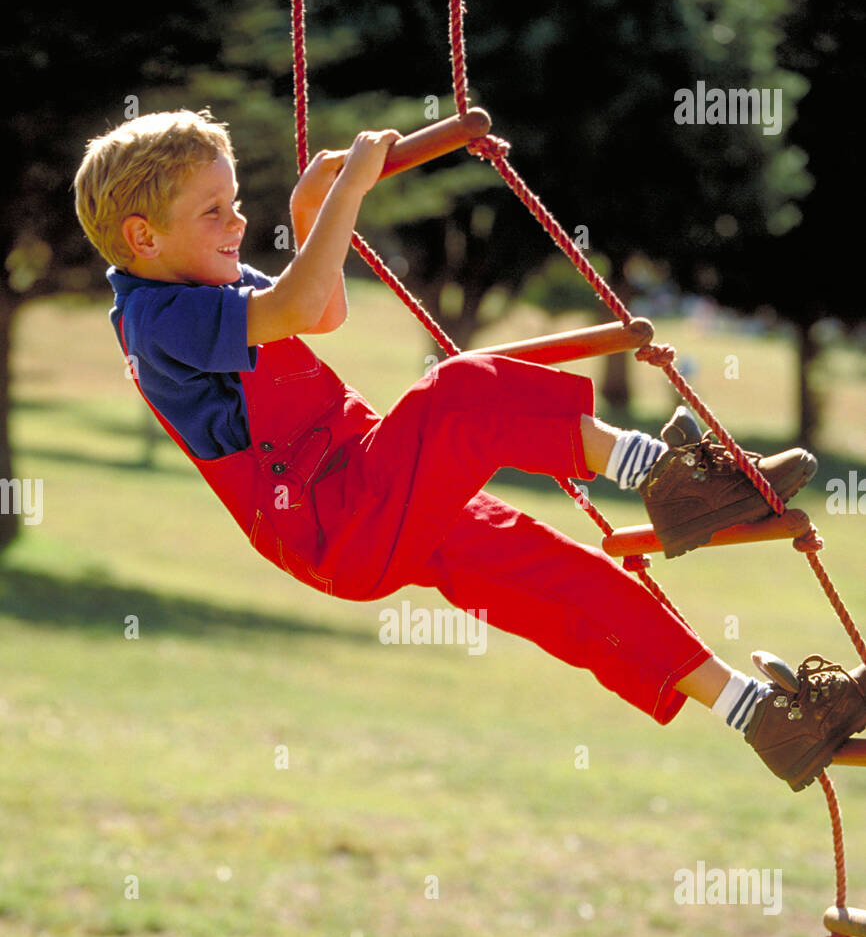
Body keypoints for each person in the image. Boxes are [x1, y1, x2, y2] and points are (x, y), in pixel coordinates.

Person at [73, 109, 866, 792]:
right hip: (336, 515)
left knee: (564, 579)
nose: (238, 224)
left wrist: (314, 210)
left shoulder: (196, 281)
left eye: (236, 202)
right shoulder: (158, 318)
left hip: (365, 491)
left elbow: (320, 315)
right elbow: (300, 302)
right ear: (143, 236)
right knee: (463, 393)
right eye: (214, 211)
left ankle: (766, 719)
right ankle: (667, 479)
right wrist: (344, 191)